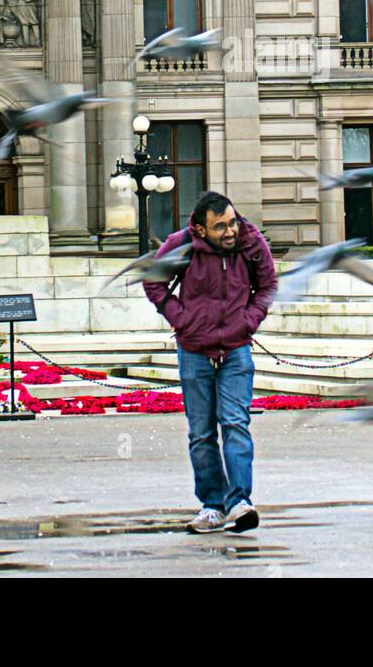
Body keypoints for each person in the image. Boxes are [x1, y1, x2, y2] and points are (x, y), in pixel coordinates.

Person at [142, 191, 277, 534]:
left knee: (235, 423)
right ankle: (212, 506)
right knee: (201, 433)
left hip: (235, 347)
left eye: (232, 222)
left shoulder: (250, 242)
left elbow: (268, 285)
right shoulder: (181, 244)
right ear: (201, 230)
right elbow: (154, 281)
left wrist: (249, 320)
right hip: (194, 349)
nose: (230, 231)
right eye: (221, 227)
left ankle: (241, 502)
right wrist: (181, 319)